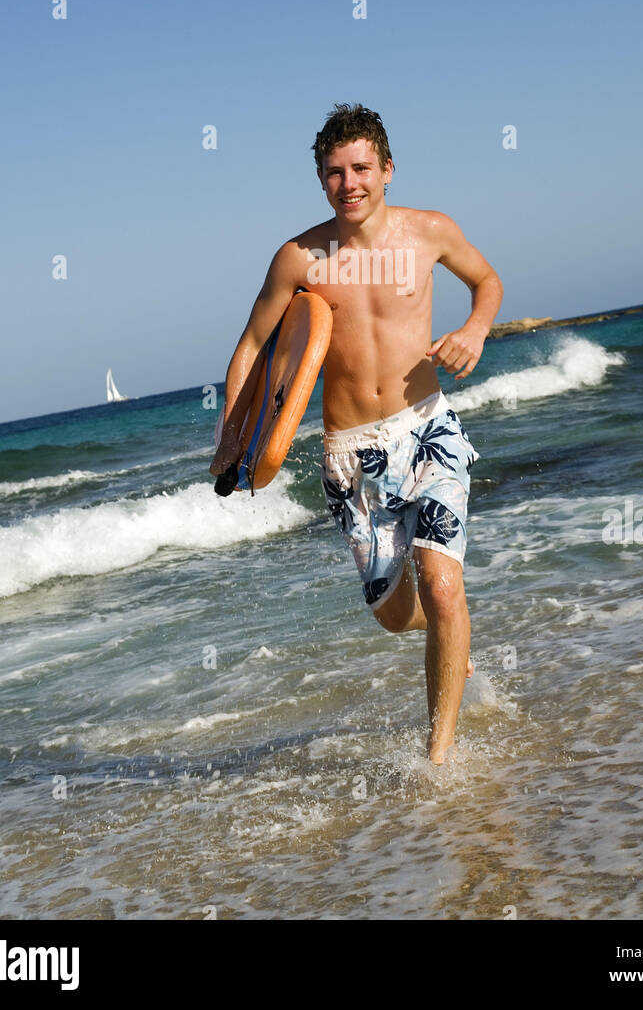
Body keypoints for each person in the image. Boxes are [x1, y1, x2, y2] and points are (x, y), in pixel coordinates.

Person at [209, 104, 503, 763]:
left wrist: (475, 329)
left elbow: (487, 282)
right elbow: (254, 348)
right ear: (321, 179)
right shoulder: (299, 258)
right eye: (335, 172)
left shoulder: (431, 232)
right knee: (395, 616)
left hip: (427, 431)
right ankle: (452, 641)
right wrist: (232, 437)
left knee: (442, 584)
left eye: (362, 168)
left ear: (388, 169)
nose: (351, 184)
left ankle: (439, 758)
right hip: (350, 456)